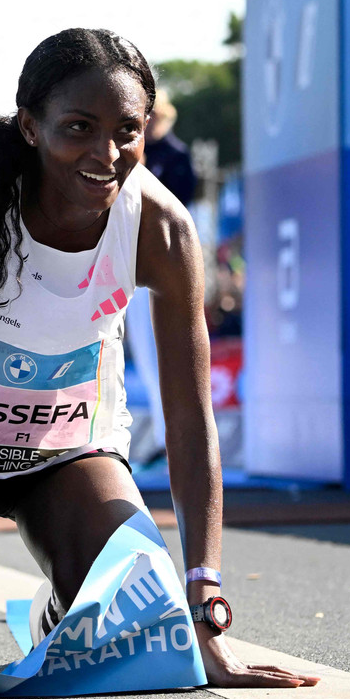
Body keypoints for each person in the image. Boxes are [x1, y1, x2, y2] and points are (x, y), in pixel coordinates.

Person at [0, 29, 317, 688]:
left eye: (128, 130)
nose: (106, 153)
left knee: (140, 624)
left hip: (62, 451)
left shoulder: (162, 227)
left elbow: (188, 417)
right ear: (30, 128)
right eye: (78, 128)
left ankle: (54, 614)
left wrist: (202, 606)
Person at [126, 88, 198, 464]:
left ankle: (175, 435)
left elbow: (183, 211)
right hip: (131, 259)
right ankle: (160, 430)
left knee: (169, 345)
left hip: (163, 261)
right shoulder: (132, 150)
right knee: (141, 344)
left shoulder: (176, 155)